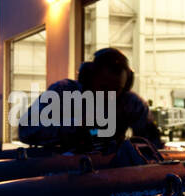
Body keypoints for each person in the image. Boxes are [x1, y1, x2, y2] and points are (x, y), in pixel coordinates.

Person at [18, 47, 163, 150]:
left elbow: (153, 143)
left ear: (125, 86)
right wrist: (73, 129)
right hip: (62, 167)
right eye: (104, 87)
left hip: (110, 170)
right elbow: (26, 129)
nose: (109, 96)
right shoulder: (64, 92)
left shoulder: (130, 102)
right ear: (88, 79)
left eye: (116, 89)